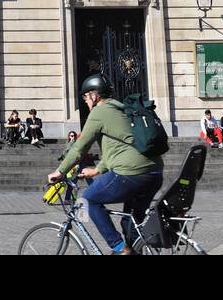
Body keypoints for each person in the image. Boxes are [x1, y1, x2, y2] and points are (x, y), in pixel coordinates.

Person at [49, 74, 163, 255]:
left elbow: (80, 147)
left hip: (131, 174)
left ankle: (119, 248)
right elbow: (118, 147)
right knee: (130, 223)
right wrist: (97, 170)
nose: (85, 102)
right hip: (154, 173)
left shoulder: (99, 112)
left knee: (88, 199)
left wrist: (60, 171)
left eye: (85, 97)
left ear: (94, 96)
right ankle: (133, 250)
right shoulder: (122, 109)